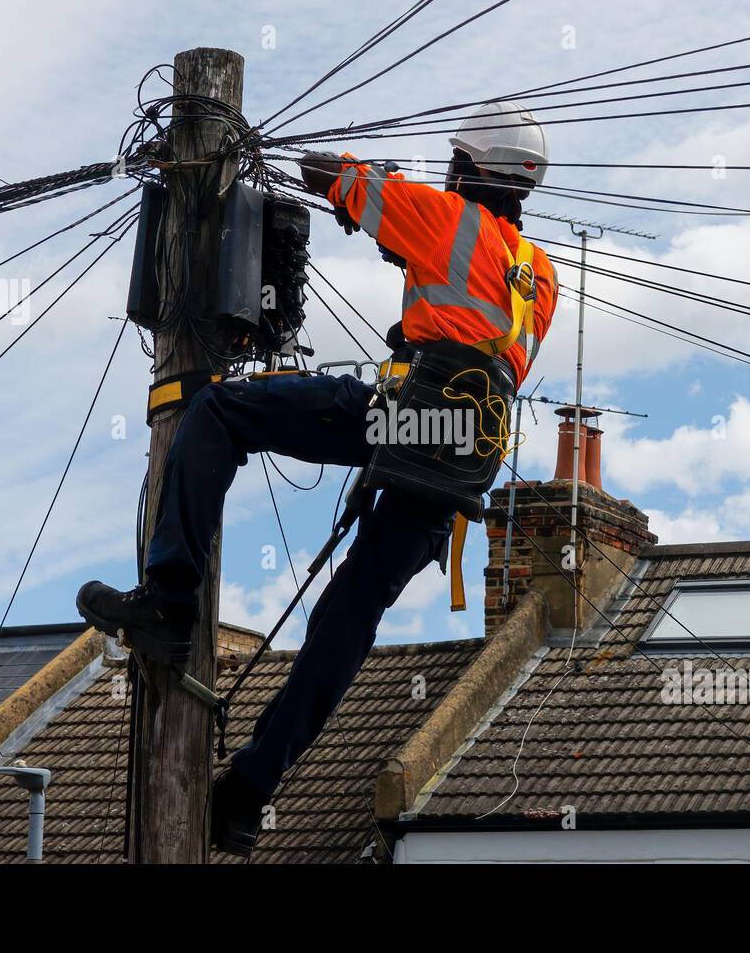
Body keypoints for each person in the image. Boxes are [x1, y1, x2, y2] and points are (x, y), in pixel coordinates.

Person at [77, 101, 556, 857]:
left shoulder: (439, 216)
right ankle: (247, 793)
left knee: (219, 413)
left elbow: (324, 174)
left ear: (468, 167)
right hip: (467, 453)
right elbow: (465, 303)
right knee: (349, 616)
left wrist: (375, 185)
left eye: (453, 162)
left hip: (403, 419)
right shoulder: (540, 276)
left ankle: (169, 600)